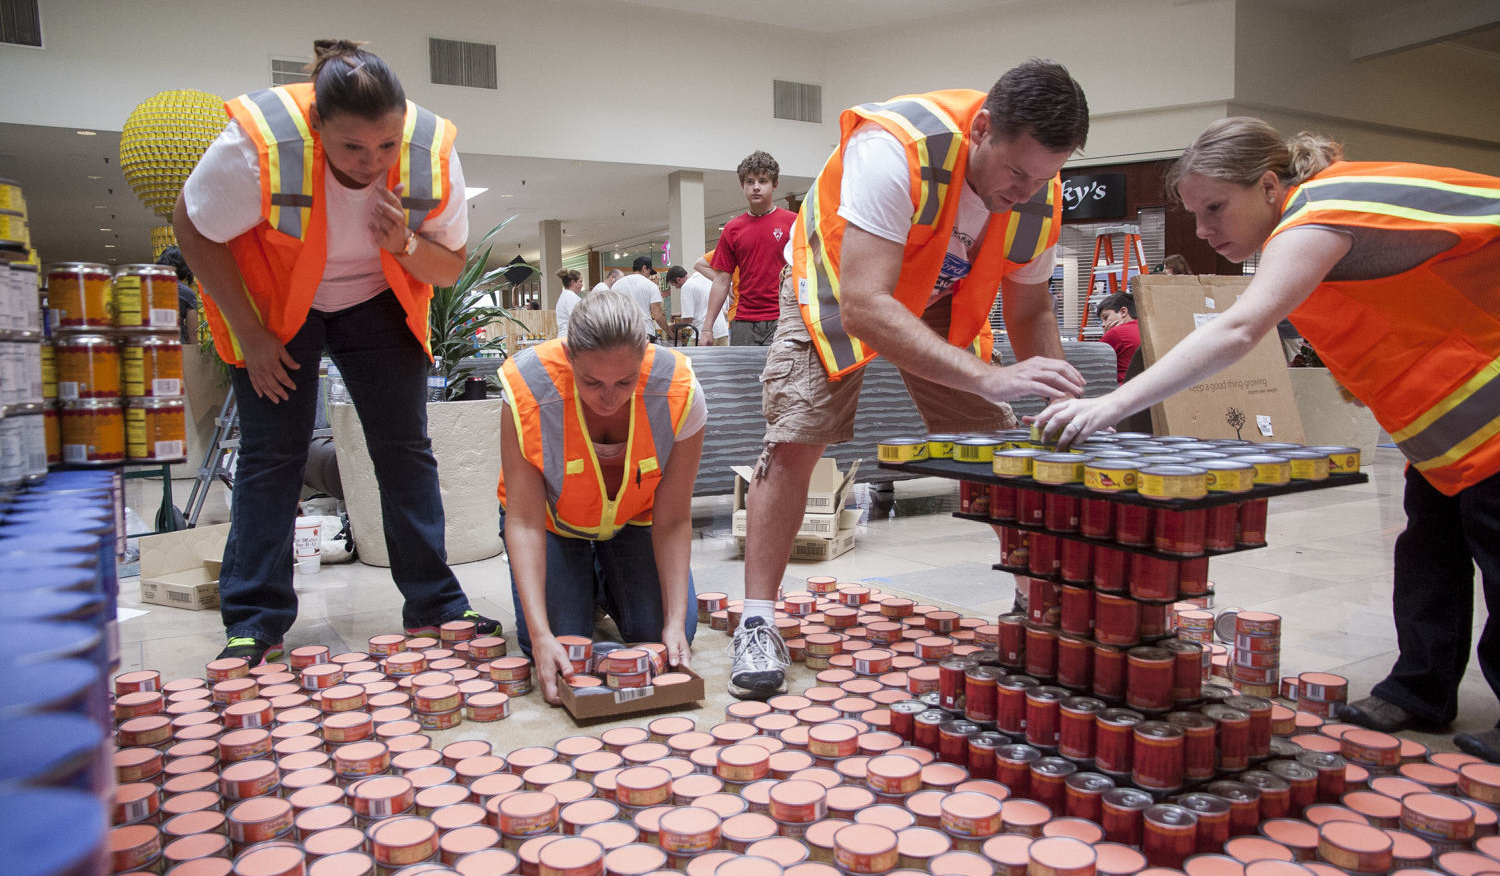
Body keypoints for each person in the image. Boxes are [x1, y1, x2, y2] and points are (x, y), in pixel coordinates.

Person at [1033, 117, 1500, 758]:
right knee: (1429, 552)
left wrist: (1113, 405)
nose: (1203, 230)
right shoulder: (1313, 216)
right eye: (1195, 214)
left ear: (1271, 185)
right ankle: (1420, 690)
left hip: (1490, 420)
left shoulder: (1319, 211)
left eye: (1216, 207)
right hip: (1456, 435)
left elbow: (1238, 330)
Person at [729, 60, 1092, 699]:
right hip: (840, 281)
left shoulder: (1038, 195)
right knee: (799, 436)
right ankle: (757, 622)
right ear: (982, 129)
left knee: (998, 447)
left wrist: (1052, 401)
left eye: (1043, 177)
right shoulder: (896, 149)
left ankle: (1040, 609)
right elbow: (867, 305)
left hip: (940, 290)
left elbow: (1031, 311)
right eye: (1015, 173)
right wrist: (989, 374)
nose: (1026, 192)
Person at [173, 39, 501, 667]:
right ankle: (254, 620)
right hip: (277, 306)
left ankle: (435, 604)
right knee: (273, 453)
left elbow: (450, 265)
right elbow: (193, 225)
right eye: (352, 147)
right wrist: (251, 335)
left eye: (384, 146)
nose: (371, 163)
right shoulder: (261, 148)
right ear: (318, 125)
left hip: (377, 299)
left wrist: (404, 242)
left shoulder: (431, 153)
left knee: (404, 449)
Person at [496, 289, 704, 703]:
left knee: (665, 633)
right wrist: (540, 634)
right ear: (569, 356)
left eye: (625, 382)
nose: (609, 398)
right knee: (562, 641)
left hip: (637, 520)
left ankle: (605, 574)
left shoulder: (680, 391)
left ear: (644, 358)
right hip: (552, 524)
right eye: (592, 382)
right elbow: (522, 520)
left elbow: (675, 519)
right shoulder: (526, 388)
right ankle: (579, 573)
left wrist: (675, 622)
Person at [700, 151, 795, 347]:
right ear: (742, 185)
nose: (756, 187)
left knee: (782, 377)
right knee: (744, 376)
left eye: (763, 181)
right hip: (743, 321)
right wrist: (707, 328)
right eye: (750, 182)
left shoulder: (793, 223)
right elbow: (721, 279)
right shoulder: (733, 229)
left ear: (774, 184)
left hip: (784, 318)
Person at [668, 263, 728, 346]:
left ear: (678, 280)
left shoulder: (686, 286)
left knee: (693, 358)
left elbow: (688, 320)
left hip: (703, 333)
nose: (677, 288)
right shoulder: (703, 276)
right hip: (722, 331)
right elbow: (704, 307)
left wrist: (673, 327)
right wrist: (681, 314)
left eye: (675, 286)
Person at [614, 256, 669, 338]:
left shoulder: (617, 285)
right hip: (644, 332)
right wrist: (670, 333)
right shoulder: (651, 286)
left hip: (621, 333)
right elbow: (658, 316)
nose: (649, 276)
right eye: (649, 272)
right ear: (644, 268)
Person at [154, 245, 200, 344]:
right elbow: (192, 333)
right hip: (177, 346)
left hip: (152, 346)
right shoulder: (187, 293)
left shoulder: (148, 288)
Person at [1096, 292, 1140, 384]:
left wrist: (1106, 336)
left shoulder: (1116, 333)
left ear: (1123, 312)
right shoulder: (1147, 329)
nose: (1103, 324)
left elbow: (1093, 365)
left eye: (1106, 317)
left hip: (1122, 390)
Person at [554, 268, 584, 340]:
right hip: (568, 337)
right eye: (580, 281)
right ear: (573, 282)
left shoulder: (567, 295)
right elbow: (577, 318)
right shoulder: (570, 296)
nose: (582, 285)